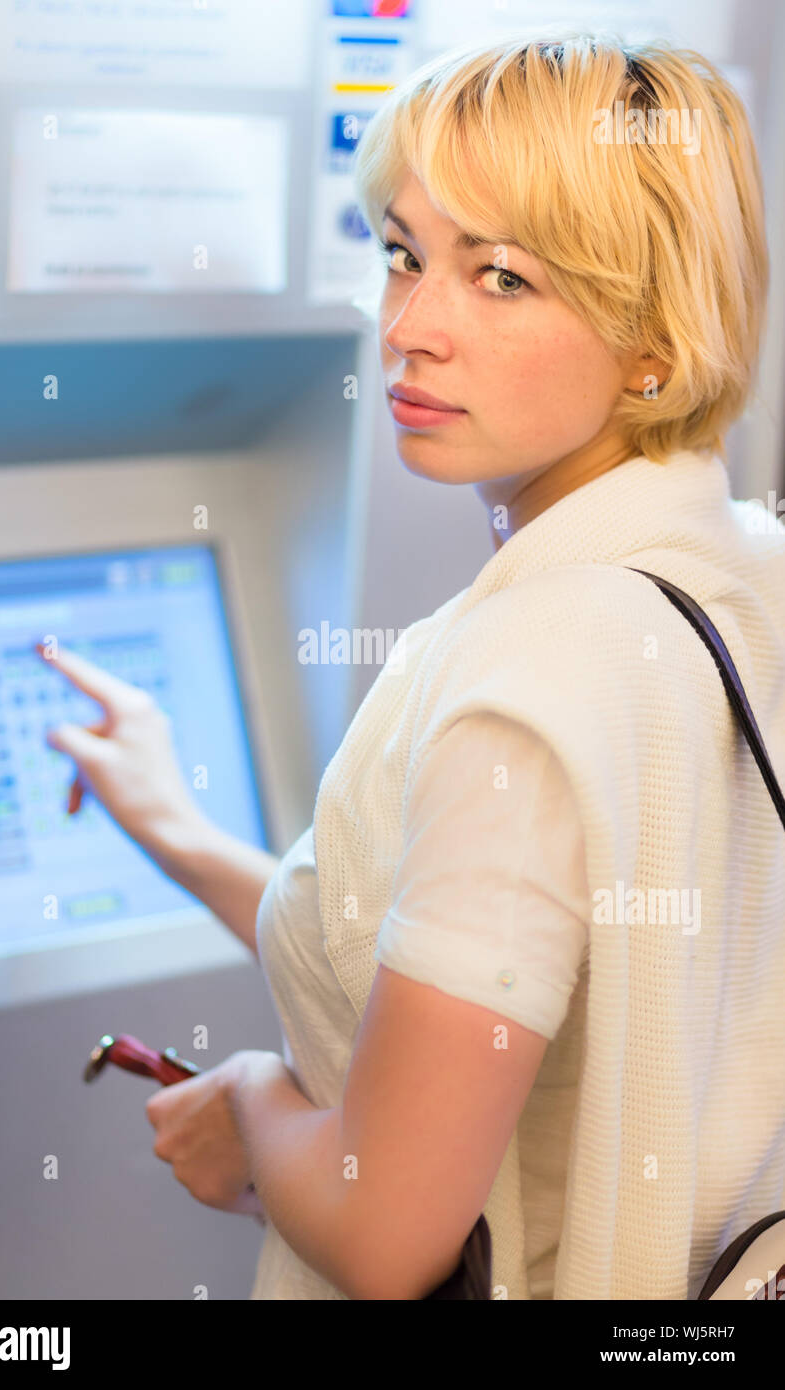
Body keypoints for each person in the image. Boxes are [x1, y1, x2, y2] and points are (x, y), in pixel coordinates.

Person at [41, 31, 785, 1300]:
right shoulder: (740, 569)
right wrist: (173, 823)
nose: (408, 326)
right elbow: (433, 959)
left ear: (652, 336)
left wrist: (253, 1114)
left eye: (499, 277)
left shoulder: (532, 675)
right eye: (403, 254)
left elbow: (387, 1233)